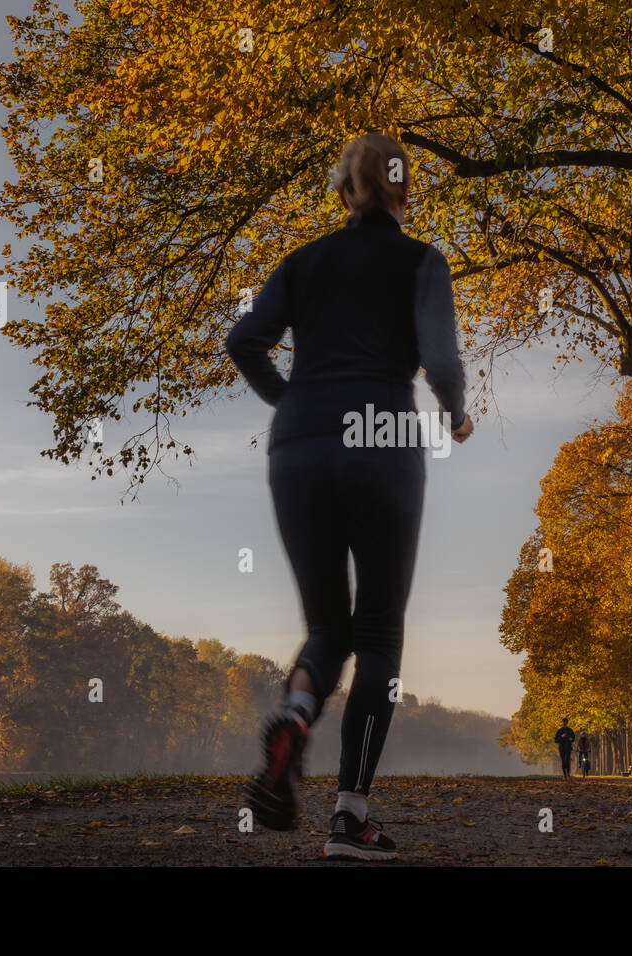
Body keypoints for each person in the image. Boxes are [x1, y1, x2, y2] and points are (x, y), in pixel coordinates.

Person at [226, 132, 472, 861]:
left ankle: (297, 716)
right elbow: (441, 357)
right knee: (379, 636)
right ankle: (349, 818)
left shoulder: (302, 262)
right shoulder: (421, 260)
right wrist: (454, 413)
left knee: (326, 627)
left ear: (342, 192)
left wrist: (295, 403)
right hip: (383, 445)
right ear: (404, 191)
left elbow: (244, 341)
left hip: (299, 447)